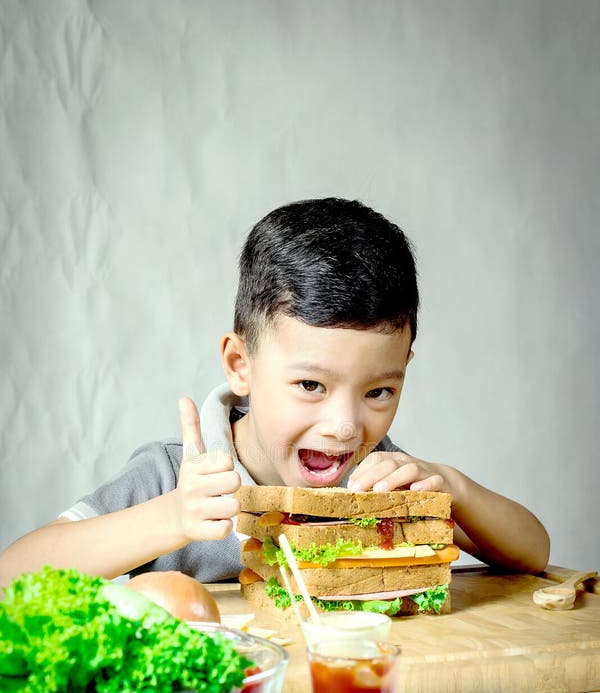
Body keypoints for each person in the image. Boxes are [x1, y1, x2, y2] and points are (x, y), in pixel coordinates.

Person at [0, 198, 550, 589]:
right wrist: (172, 518)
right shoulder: (175, 477)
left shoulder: (382, 479)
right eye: (311, 385)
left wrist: (452, 486)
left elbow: (533, 554)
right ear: (241, 365)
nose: (344, 427)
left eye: (378, 391)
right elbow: (13, 576)